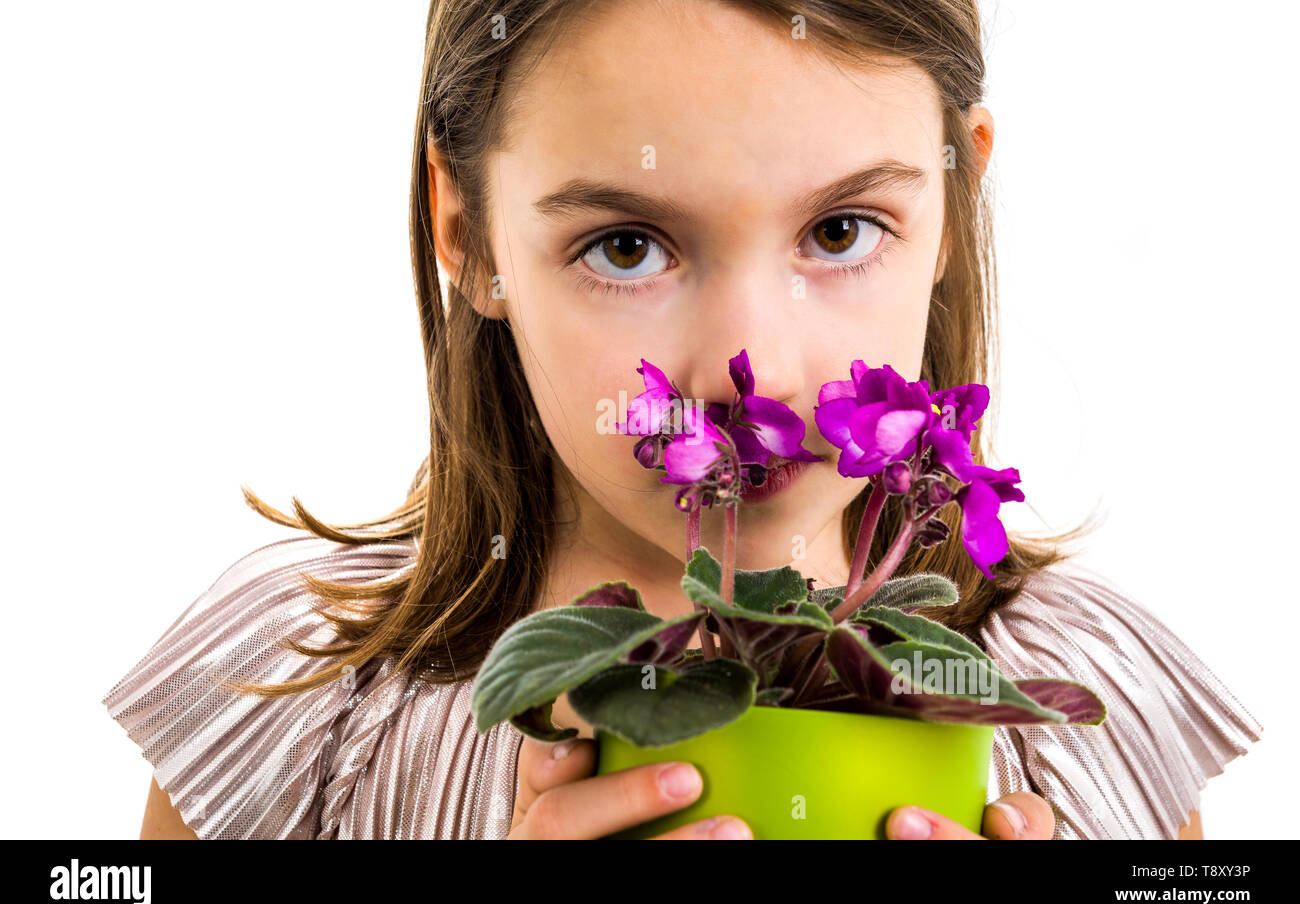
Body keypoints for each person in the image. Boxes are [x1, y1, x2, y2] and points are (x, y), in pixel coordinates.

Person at [105, 0, 1262, 840]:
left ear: (954, 197)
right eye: (627, 247)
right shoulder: (301, 692)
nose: (747, 373)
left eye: (842, 230)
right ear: (465, 233)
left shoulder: (1076, 710)